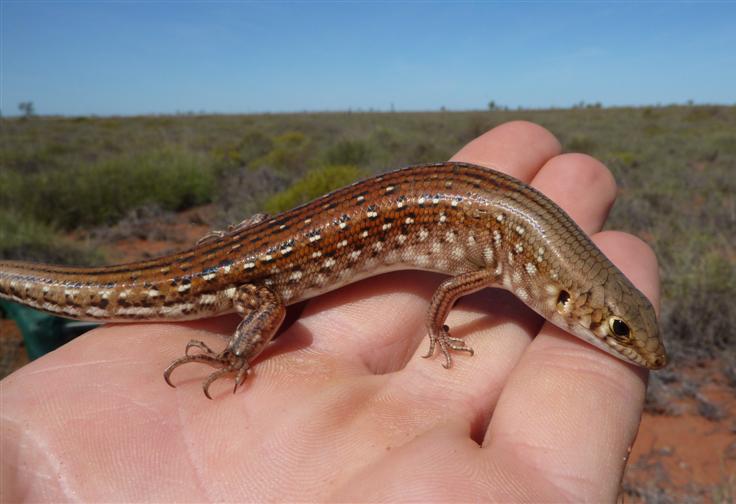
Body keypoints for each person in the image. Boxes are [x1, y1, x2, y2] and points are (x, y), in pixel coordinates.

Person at [0, 121, 660, 502]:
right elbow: (444, 294)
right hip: (251, 273)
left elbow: (450, 286)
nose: (630, 347)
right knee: (271, 313)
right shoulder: (509, 266)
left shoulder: (527, 257)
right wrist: (435, 331)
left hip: (254, 244)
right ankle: (235, 352)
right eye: (617, 332)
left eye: (618, 330)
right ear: (568, 297)